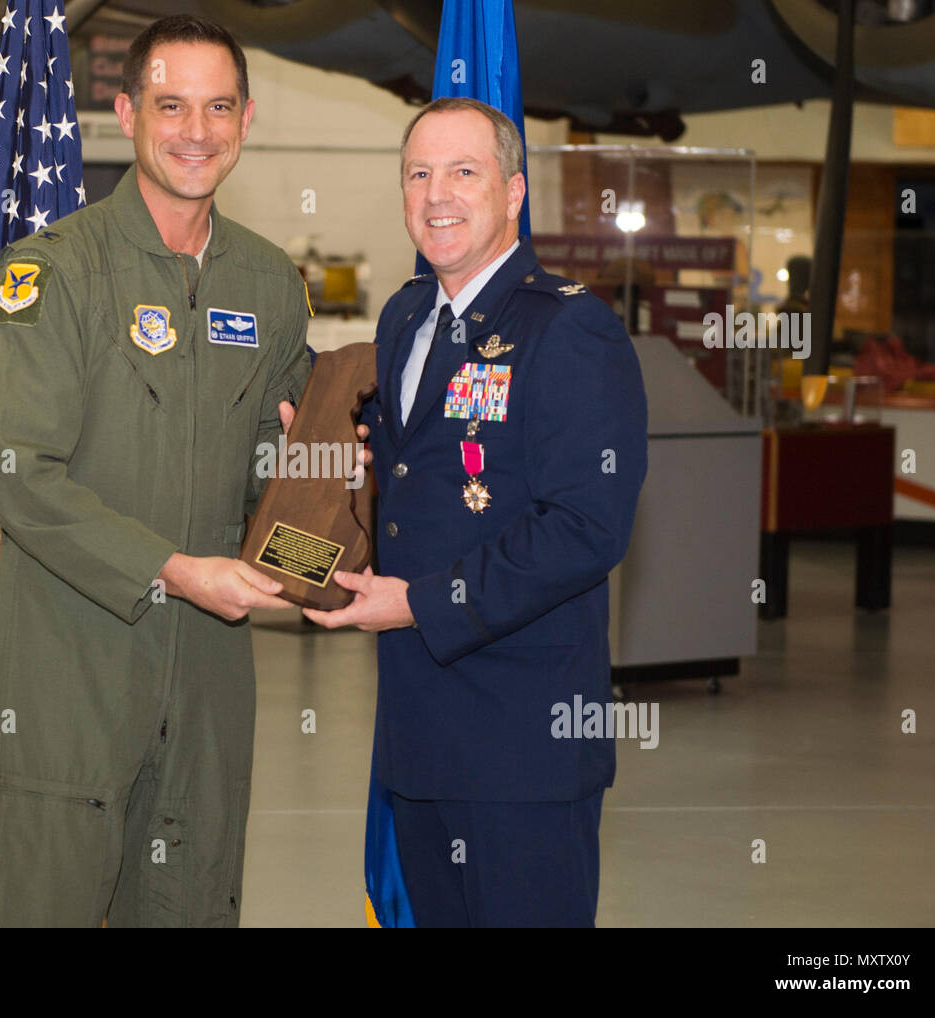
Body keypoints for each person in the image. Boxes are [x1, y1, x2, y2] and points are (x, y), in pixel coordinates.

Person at [0, 14, 311, 927]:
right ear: (124, 112)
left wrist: (328, 497)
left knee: (191, 902)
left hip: (208, 677)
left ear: (246, 120)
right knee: (48, 901)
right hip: (75, 667)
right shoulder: (53, 273)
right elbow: (22, 481)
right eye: (170, 105)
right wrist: (174, 571)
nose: (194, 131)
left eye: (216, 107)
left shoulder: (272, 283)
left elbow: (276, 475)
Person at [305, 97, 648, 927]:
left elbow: (585, 528)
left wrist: (417, 602)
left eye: (464, 171)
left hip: (523, 749)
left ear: (514, 192)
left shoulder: (569, 329)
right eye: (418, 174)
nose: (437, 195)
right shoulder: (405, 317)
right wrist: (322, 455)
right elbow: (411, 475)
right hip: (419, 737)